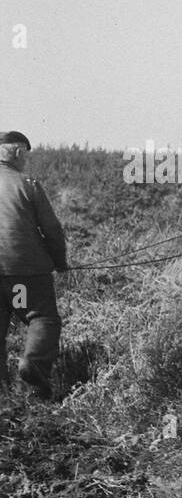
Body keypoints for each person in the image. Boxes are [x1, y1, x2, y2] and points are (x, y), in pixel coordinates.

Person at [0, 131, 69, 401]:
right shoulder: (27, 184)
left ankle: (4, 398)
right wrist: (60, 262)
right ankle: (34, 366)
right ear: (17, 153)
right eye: (25, 155)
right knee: (40, 317)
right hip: (24, 273)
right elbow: (51, 229)